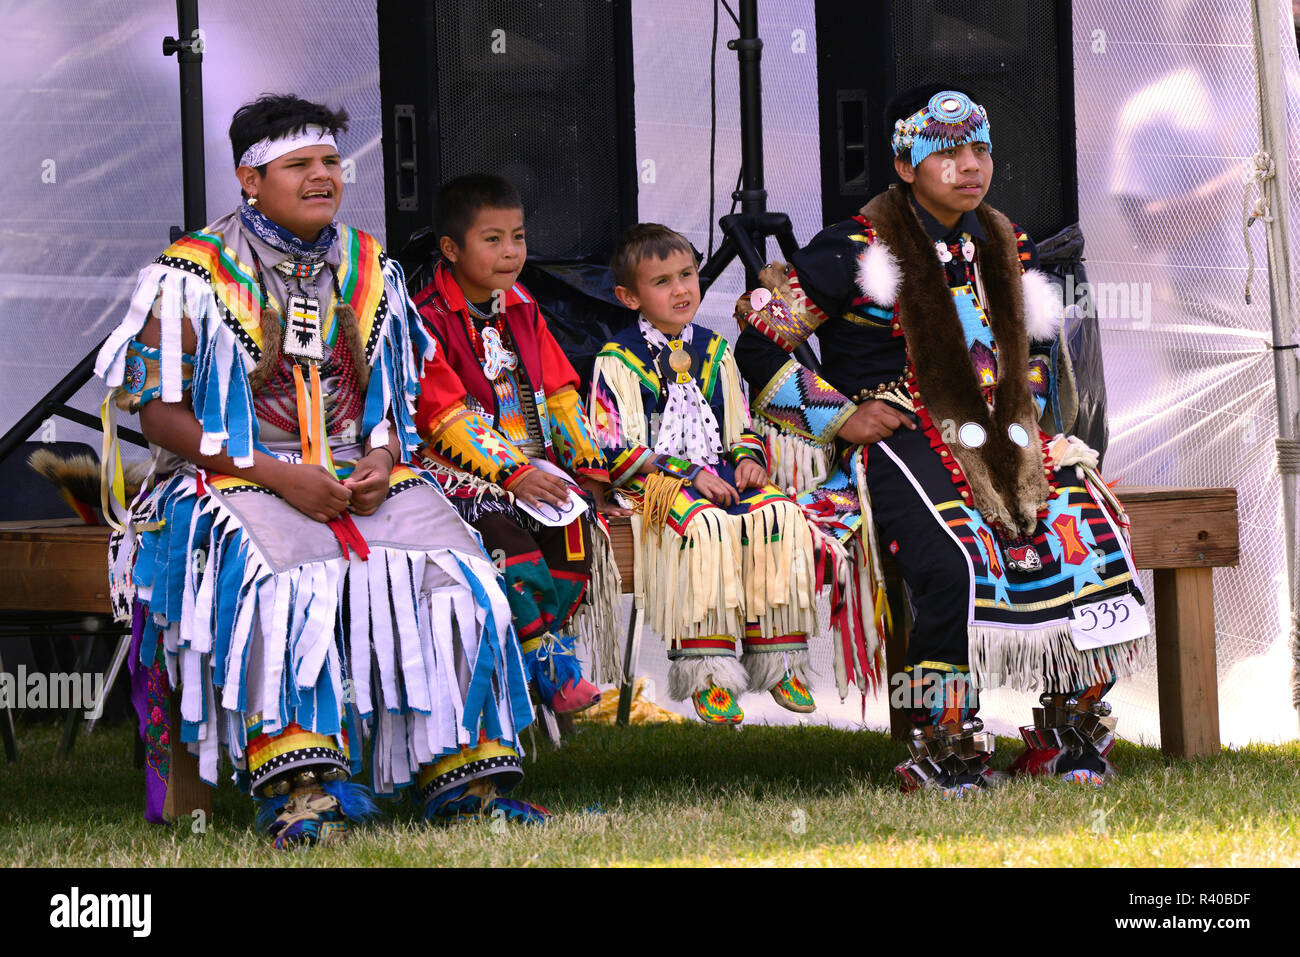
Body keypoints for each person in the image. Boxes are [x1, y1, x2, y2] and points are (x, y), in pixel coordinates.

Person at [95, 94, 541, 846]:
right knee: (278, 581)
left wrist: (379, 457)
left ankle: (467, 777)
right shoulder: (193, 270)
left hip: (351, 473)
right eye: (298, 164)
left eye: (331, 161)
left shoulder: (368, 266)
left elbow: (392, 402)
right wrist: (275, 474)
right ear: (249, 177)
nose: (321, 176)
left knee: (458, 574)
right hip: (233, 476)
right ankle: (303, 790)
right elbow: (160, 417)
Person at [734, 86, 1149, 791]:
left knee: (1095, 535)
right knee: (953, 559)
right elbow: (759, 344)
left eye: (980, 150)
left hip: (1006, 440)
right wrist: (841, 417)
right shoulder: (855, 247)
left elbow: (1032, 355)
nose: (969, 165)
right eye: (947, 152)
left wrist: (1030, 418)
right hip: (904, 438)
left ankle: (1068, 732)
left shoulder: (1003, 241)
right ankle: (948, 743)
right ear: (905, 164)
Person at [587, 223, 828, 725]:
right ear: (628, 297)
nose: (681, 289)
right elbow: (616, 449)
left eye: (688, 274)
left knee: (779, 514)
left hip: (716, 474)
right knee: (704, 526)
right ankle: (709, 673)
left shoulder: (715, 350)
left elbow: (738, 424)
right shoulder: (617, 360)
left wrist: (747, 458)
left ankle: (779, 658)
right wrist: (687, 473)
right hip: (654, 483)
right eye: (662, 282)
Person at [411, 174, 622, 721]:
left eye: (519, 237)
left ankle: (547, 648)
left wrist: (590, 471)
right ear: (451, 249)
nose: (511, 252)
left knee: (572, 518)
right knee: (501, 526)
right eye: (493, 239)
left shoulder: (520, 302)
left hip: (527, 462)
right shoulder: (426, 316)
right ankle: (542, 656)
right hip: (454, 470)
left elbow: (558, 390)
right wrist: (514, 474)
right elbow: (443, 415)